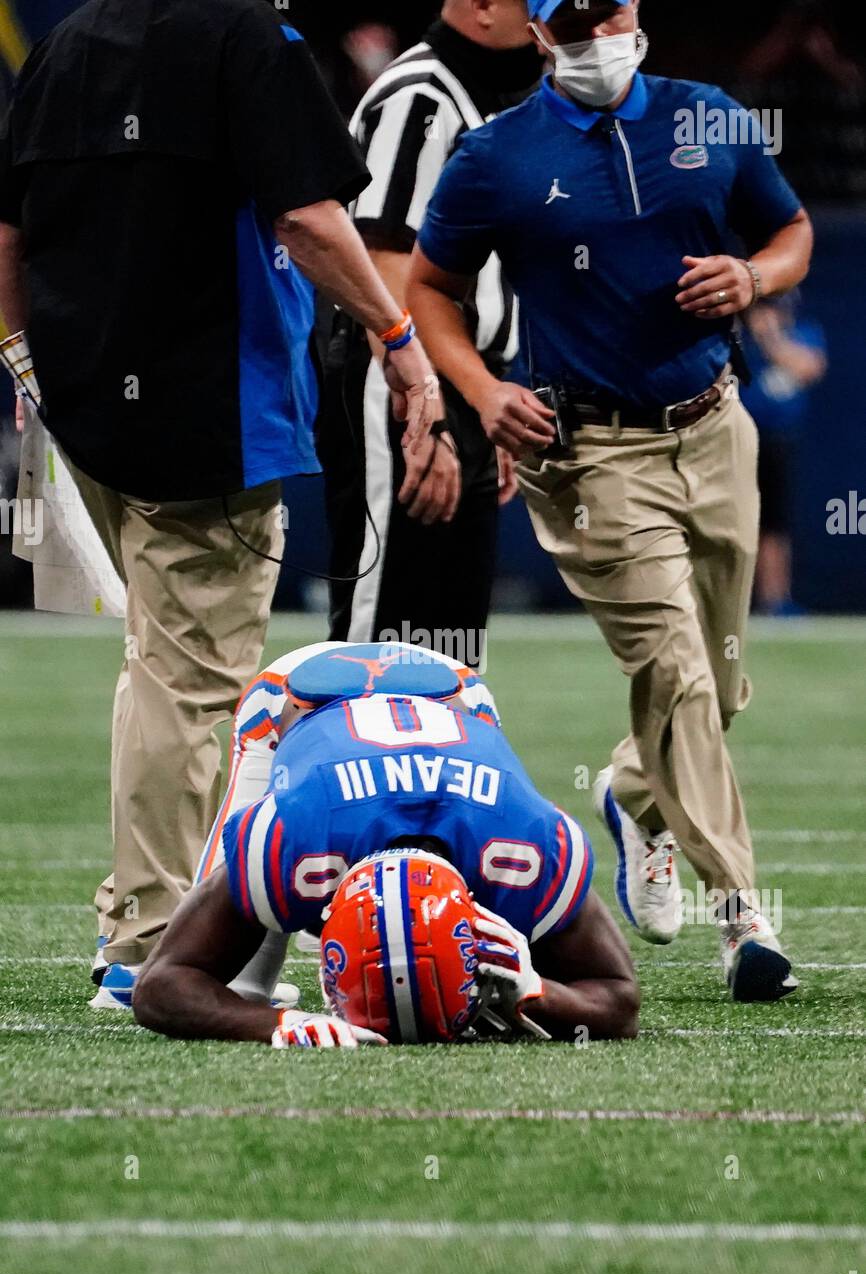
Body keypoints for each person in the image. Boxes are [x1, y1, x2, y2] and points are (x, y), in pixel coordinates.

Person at [0, 0, 454, 995]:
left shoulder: (67, 42)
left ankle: (143, 916)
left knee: (156, 669)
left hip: (83, 409)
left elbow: (8, 222)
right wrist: (399, 338)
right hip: (209, 413)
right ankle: (152, 938)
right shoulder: (251, 38)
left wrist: (18, 351)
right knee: (186, 683)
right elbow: (307, 216)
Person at [408, 0, 814, 1002]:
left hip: (716, 430)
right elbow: (427, 288)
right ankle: (743, 918)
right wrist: (480, 388)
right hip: (588, 453)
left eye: (613, 10)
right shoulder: (495, 153)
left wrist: (752, 276)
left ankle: (633, 796)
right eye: (578, 19)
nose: (601, 33)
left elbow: (792, 229)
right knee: (676, 673)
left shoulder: (707, 116)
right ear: (542, 33)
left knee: (717, 688)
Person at [132, 642, 639, 1046]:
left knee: (233, 986)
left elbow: (620, 1001)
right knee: (243, 989)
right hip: (295, 694)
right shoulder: (295, 841)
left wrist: (533, 990)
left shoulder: (520, 844)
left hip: (452, 693)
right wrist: (273, 1024)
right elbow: (160, 986)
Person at [319, 0, 543, 660]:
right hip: (402, 382)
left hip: (461, 381)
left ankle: (438, 765)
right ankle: (352, 760)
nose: (546, 15)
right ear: (480, 8)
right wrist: (427, 410)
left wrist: (482, 398)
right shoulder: (419, 95)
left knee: (453, 646)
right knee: (382, 629)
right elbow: (383, 263)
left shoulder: (490, 99)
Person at [741, 295, 827, 615]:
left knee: (773, 523)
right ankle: (721, 599)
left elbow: (809, 367)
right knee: (725, 521)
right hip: (736, 438)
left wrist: (771, 337)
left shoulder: (802, 330)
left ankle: (775, 600)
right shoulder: (735, 336)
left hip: (777, 441)